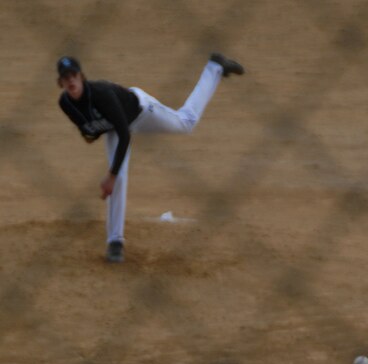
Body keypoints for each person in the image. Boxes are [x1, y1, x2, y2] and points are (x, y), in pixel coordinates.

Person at [56, 51, 245, 263]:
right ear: (60, 82)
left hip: (141, 112)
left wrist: (110, 175)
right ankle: (115, 242)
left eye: (74, 75)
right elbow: (90, 132)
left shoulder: (101, 94)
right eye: (66, 77)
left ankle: (214, 68)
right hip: (115, 129)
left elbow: (125, 135)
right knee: (119, 177)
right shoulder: (66, 104)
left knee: (186, 123)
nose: (70, 80)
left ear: (81, 76)